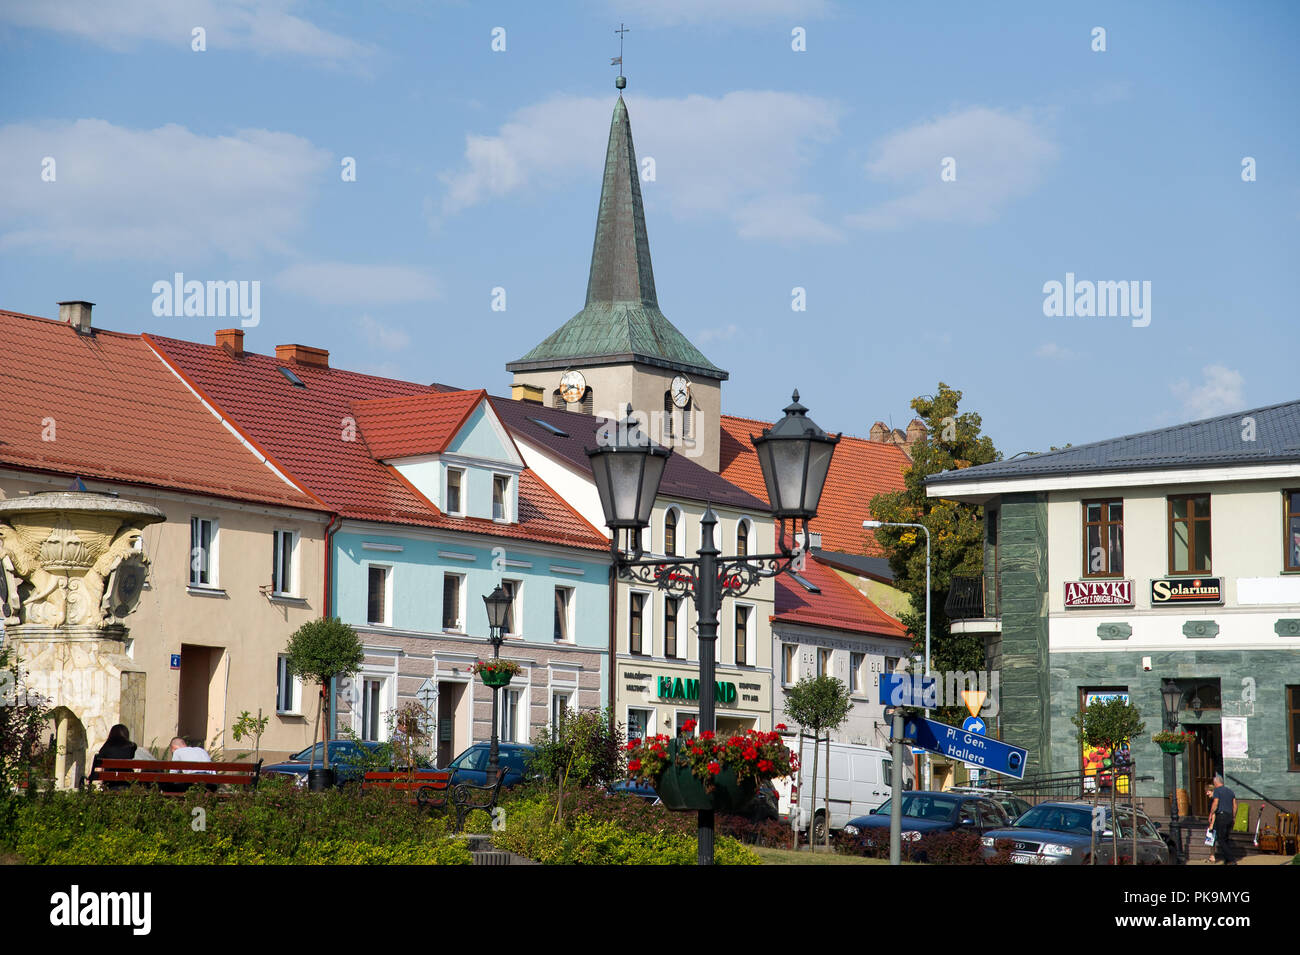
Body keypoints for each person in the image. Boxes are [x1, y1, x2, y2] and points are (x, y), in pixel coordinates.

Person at [91, 724, 138, 790]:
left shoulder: (106, 747)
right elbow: (131, 756)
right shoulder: (132, 747)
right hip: (126, 783)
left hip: (110, 783)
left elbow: (100, 760)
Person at [1209, 774, 1238, 865]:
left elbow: (1215, 803)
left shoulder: (1217, 791)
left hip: (1221, 816)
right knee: (1225, 838)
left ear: (1216, 783)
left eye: (1214, 783)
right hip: (1229, 816)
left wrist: (1211, 813)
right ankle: (1228, 860)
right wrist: (1233, 816)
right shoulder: (1230, 791)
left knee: (1221, 839)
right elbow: (1235, 805)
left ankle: (1231, 859)